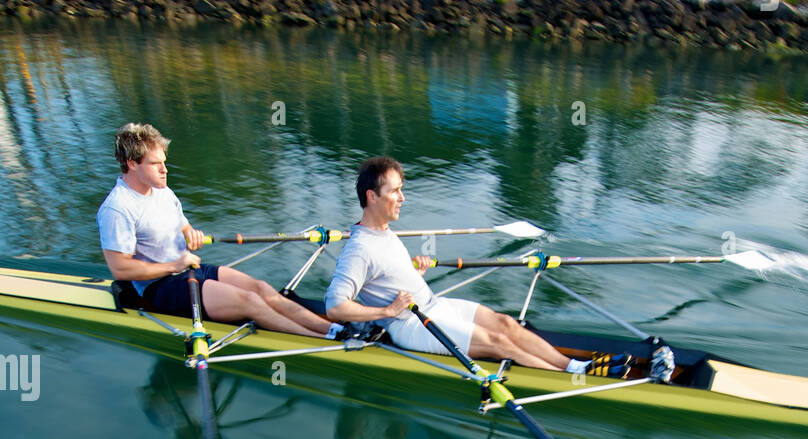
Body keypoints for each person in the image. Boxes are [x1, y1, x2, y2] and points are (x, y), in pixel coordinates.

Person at [325, 156, 633, 376]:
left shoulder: (384, 232)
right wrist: (387, 311)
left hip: (434, 305)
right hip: (410, 324)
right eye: (394, 191)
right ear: (371, 196)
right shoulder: (359, 249)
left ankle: (575, 366)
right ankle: (568, 379)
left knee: (506, 324)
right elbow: (335, 307)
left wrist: (414, 273)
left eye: (401, 189)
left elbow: (386, 277)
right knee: (498, 343)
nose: (402, 198)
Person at [98, 124, 330, 338]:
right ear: (132, 163)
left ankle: (333, 329)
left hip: (189, 268)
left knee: (261, 288)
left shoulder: (162, 192)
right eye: (155, 164)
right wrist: (174, 265)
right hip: (160, 288)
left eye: (164, 162)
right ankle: (322, 340)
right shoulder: (118, 208)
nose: (164, 170)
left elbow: (183, 226)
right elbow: (120, 268)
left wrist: (191, 234)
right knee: (250, 300)